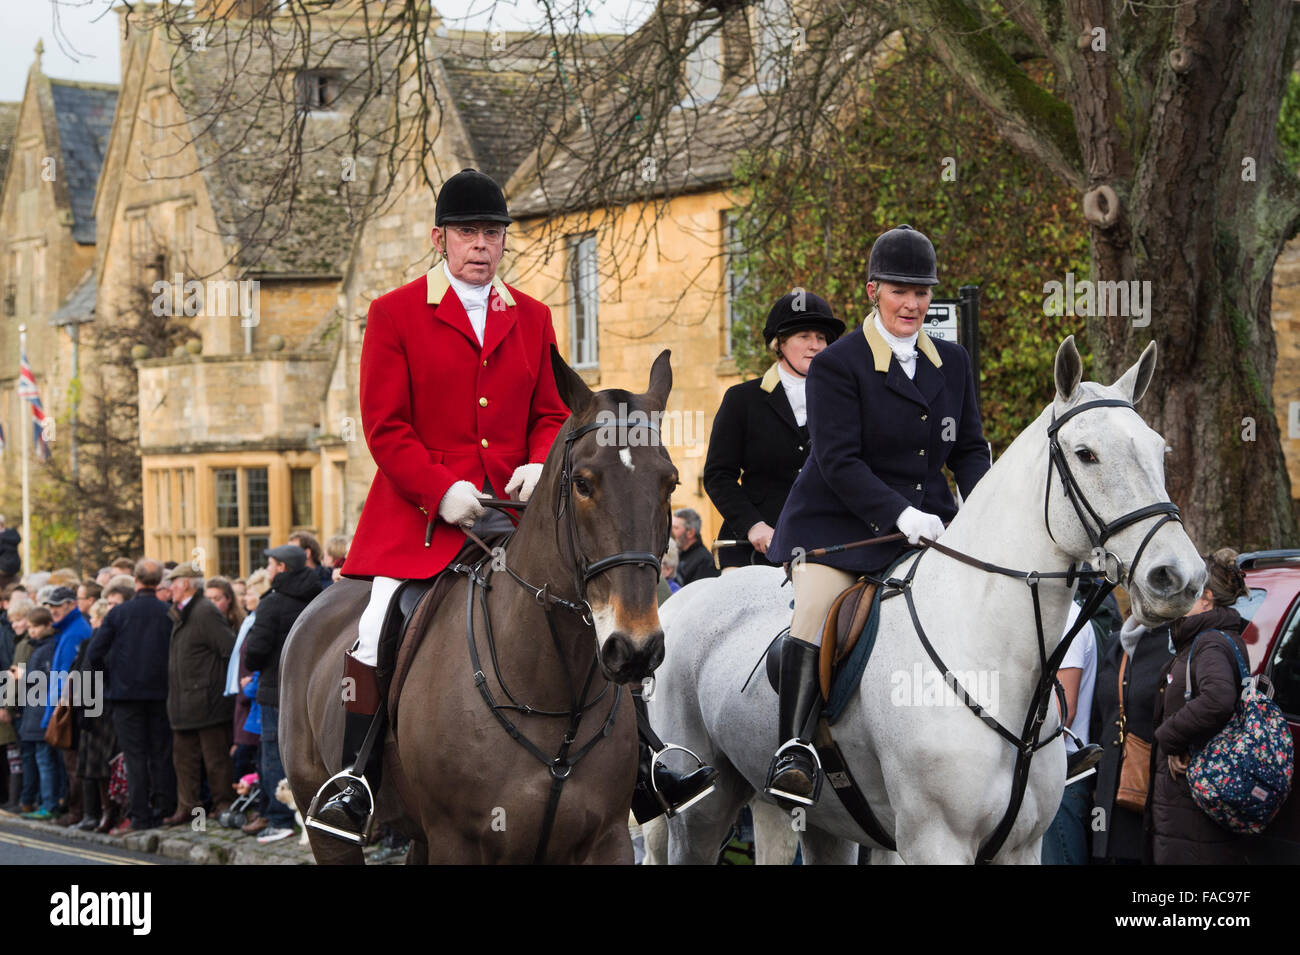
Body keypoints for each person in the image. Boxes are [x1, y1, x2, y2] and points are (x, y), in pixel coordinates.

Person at [318, 168, 711, 841]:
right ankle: (356, 777)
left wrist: (537, 460)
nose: (482, 244)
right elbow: (384, 426)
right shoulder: (395, 313)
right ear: (440, 238)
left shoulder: (530, 316)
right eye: (469, 232)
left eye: (493, 233)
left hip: (517, 514)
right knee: (378, 622)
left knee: (593, 615)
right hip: (419, 522)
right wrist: (441, 489)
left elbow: (552, 408)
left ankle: (645, 756)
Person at [766, 224, 991, 807]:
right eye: (900, 291)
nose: (914, 303)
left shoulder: (954, 361)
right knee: (816, 608)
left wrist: (982, 508)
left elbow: (967, 447)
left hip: (930, 525)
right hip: (839, 528)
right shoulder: (838, 365)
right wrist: (902, 514)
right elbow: (838, 462)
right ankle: (792, 749)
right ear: (874, 290)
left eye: (922, 292)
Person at [704, 291, 844, 570]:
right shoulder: (742, 399)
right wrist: (753, 525)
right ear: (779, 343)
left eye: (821, 338)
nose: (815, 346)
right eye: (804, 336)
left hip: (826, 545)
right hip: (754, 550)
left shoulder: (845, 400)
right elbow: (718, 475)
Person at [1149, 548, 1252, 865]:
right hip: (1189, 800)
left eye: (1187, 593)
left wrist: (1171, 738)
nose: (1178, 601)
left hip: (1193, 801)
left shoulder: (1209, 642)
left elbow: (1217, 700)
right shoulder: (1208, 639)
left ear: (1206, 597)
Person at [88, 559, 176, 835]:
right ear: (158, 580)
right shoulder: (168, 612)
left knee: (134, 755)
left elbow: (94, 653)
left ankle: (139, 814)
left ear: (136, 581)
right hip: (161, 692)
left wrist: (111, 678)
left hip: (126, 695)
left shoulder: (118, 614)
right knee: (161, 752)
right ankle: (164, 809)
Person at [242, 545, 321, 843]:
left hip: (276, 689)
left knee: (274, 753)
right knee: (310, 754)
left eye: (272, 564)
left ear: (283, 568)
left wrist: (253, 664)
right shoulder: (318, 595)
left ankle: (279, 817)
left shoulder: (272, 604)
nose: (269, 569)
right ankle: (309, 815)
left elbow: (257, 651)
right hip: (312, 688)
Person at [1091, 598, 1173, 864]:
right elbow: (1098, 716)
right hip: (1104, 785)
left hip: (1146, 783)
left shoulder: (1174, 646)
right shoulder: (1115, 643)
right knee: (1099, 850)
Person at [161, 561, 236, 826]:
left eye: (174, 582)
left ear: (187, 584)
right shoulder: (181, 612)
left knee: (216, 759)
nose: (170, 588)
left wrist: (214, 686)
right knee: (184, 761)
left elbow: (229, 650)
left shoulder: (205, 611)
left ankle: (222, 804)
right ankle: (189, 808)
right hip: (184, 701)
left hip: (207, 701)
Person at [42, 585, 92, 825]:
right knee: (69, 762)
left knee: (73, 763)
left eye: (58, 606)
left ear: (72, 604)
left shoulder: (75, 631)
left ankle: (77, 811)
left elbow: (68, 675)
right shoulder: (68, 629)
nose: (53, 611)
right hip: (66, 703)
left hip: (70, 705)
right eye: (51, 606)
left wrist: (59, 708)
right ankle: (73, 809)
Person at [669, 508, 719, 587]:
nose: (670, 533)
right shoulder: (675, 554)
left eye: (675, 528)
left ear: (690, 533)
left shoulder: (705, 562)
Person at [0, 515, 21, 589]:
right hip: (15, 567)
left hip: (3, 568)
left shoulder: (1, 537)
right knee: (14, 588)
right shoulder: (13, 533)